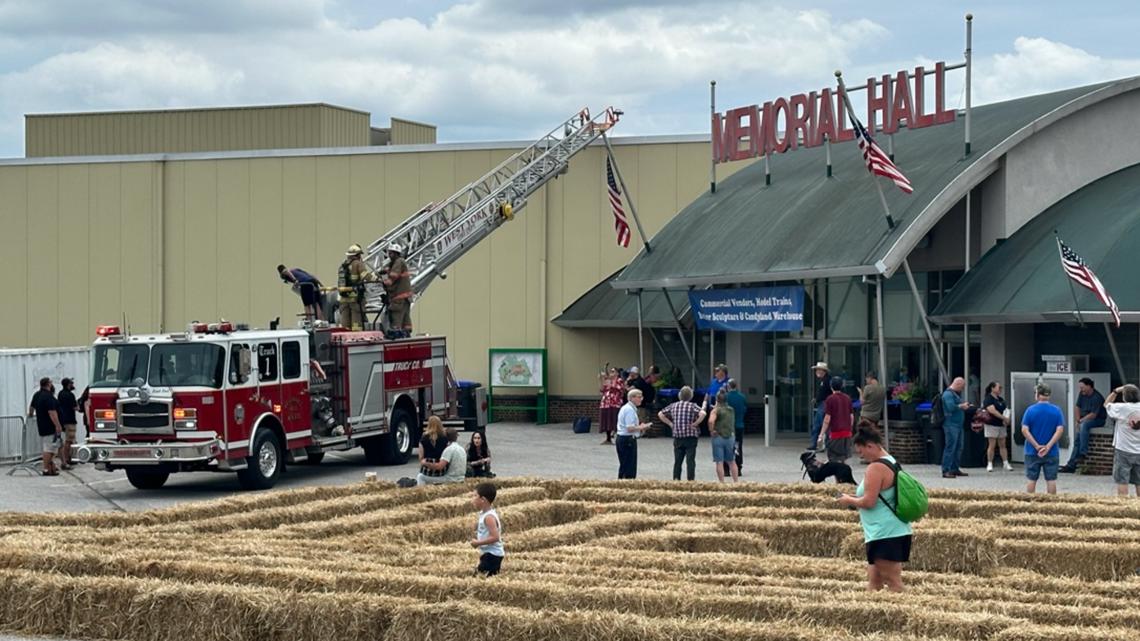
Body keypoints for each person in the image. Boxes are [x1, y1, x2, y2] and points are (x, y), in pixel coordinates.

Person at [836, 425, 913, 592]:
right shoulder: (891, 461)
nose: (861, 456)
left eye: (861, 452)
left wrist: (848, 500)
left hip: (884, 533)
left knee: (894, 582)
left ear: (870, 446)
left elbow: (869, 502)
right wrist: (855, 498)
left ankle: (906, 607)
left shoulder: (876, 468)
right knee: (874, 581)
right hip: (891, 530)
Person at [1021, 383, 1065, 494]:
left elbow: (1024, 430)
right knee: (1051, 480)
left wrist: (1036, 446)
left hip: (1032, 451)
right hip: (1051, 451)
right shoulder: (1057, 410)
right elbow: (1060, 430)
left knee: (1031, 479)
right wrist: (1048, 446)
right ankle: (1051, 502)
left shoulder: (1030, 410)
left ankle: (1030, 502)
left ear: (1038, 394)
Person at [658, 386, 705, 481]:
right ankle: (690, 480)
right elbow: (703, 413)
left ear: (679, 395)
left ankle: (676, 479)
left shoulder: (673, 405)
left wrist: (670, 423)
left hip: (678, 436)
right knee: (690, 460)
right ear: (691, 396)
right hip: (690, 436)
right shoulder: (692, 406)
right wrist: (695, 423)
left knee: (678, 461)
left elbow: (660, 414)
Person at [1061, 377, 1107, 473]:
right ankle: (1071, 465)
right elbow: (1077, 407)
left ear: (1089, 386)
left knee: (1084, 425)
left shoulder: (1097, 397)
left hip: (1097, 420)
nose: (1081, 389)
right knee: (1077, 440)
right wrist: (1078, 420)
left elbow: (1093, 415)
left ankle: (1083, 452)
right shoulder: (1082, 394)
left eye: (1082, 387)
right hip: (1084, 419)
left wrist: (1081, 421)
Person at [1103, 384, 1140, 497]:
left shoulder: (1121, 408)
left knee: (1122, 480)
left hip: (1123, 449)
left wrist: (1116, 391)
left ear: (1125, 397)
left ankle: (1123, 503)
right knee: (1139, 481)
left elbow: (1106, 404)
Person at [337, 243, 378, 331]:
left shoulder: (343, 265)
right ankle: (356, 336)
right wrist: (376, 279)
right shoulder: (358, 264)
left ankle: (345, 335)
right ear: (357, 255)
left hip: (344, 298)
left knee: (345, 322)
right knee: (356, 322)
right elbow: (365, 276)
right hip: (355, 297)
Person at [27, 378, 63, 476]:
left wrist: (30, 415)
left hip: (42, 424)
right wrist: (58, 425)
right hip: (50, 426)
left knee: (52, 447)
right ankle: (46, 469)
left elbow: (31, 407)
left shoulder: (37, 395)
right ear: (48, 384)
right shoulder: (48, 396)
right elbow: (52, 412)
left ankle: (51, 467)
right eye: (51, 382)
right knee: (49, 448)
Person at [616, 389, 652, 479]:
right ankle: (626, 483)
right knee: (629, 467)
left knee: (625, 465)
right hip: (627, 439)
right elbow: (630, 428)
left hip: (623, 438)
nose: (641, 399)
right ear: (632, 398)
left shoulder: (627, 408)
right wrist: (642, 427)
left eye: (641, 397)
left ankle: (622, 482)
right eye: (639, 397)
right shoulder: (629, 410)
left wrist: (639, 427)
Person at [470, 482, 504, 576]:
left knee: (480, 578)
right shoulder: (484, 514)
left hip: (492, 555)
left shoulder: (489, 517)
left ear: (483, 500)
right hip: (489, 554)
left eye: (475, 496)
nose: (472, 499)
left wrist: (478, 543)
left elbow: (495, 537)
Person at [940, 377, 971, 479]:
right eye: (962, 386)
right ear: (957, 384)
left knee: (958, 447)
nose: (962, 389)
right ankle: (946, 470)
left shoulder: (955, 394)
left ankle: (954, 468)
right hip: (951, 424)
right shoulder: (948, 394)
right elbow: (950, 407)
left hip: (958, 425)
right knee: (950, 447)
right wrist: (961, 406)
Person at [818, 376, 854, 464]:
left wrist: (821, 434)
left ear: (831, 386)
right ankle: (843, 472)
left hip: (836, 433)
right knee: (843, 458)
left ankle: (838, 473)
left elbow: (827, 419)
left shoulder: (830, 399)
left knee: (834, 459)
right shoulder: (847, 398)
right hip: (847, 432)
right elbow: (851, 416)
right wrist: (850, 428)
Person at [381, 244, 414, 338]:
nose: (389, 255)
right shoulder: (398, 262)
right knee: (405, 317)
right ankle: (406, 332)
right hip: (405, 298)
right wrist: (385, 271)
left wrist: (384, 282)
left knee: (396, 317)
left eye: (391, 253)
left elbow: (393, 276)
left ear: (396, 253)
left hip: (398, 298)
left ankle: (397, 333)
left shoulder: (399, 262)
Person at [981, 382, 1013, 472]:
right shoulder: (988, 399)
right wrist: (1004, 418)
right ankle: (990, 463)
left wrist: (1007, 418)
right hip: (992, 424)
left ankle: (1005, 463)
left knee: (1003, 444)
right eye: (999, 387)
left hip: (1001, 424)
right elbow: (992, 411)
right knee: (992, 445)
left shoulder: (1001, 399)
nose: (1000, 389)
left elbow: (1006, 409)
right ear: (992, 388)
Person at [708, 389, 738, 482]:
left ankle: (722, 483)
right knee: (732, 461)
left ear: (717, 399)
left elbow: (711, 421)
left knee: (719, 462)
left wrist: (712, 430)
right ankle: (736, 482)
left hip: (718, 437)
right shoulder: (731, 410)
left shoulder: (715, 410)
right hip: (730, 437)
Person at [416, 416, 448, 486]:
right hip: (441, 469)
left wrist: (423, 462)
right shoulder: (444, 438)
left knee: (420, 476)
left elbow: (421, 457)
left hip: (427, 469)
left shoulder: (424, 438)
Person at [598, 366, 624, 445]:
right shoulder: (607, 380)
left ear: (617, 373)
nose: (611, 373)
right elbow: (602, 389)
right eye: (610, 371)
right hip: (605, 403)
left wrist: (608, 380)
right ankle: (608, 438)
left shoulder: (619, 380)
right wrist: (600, 379)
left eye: (613, 371)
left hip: (615, 403)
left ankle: (619, 438)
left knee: (615, 420)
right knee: (607, 421)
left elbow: (616, 388)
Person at [725, 379, 747, 474]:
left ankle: (726, 469)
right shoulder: (742, 397)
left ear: (728, 386)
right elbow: (744, 409)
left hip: (727, 426)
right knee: (737, 446)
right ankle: (738, 467)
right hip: (739, 425)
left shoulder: (726, 397)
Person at [56, 378, 78, 470]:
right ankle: (66, 460)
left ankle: (67, 458)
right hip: (70, 420)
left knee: (67, 440)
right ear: (68, 384)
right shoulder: (70, 395)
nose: (73, 384)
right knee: (69, 441)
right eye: (71, 383)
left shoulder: (60, 394)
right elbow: (75, 407)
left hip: (63, 420)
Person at [808, 362, 830, 450]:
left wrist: (817, 399)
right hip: (823, 403)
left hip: (824, 404)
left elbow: (824, 394)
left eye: (818, 370)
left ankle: (816, 443)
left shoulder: (826, 381)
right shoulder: (824, 380)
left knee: (819, 424)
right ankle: (820, 444)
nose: (816, 371)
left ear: (823, 371)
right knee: (821, 425)